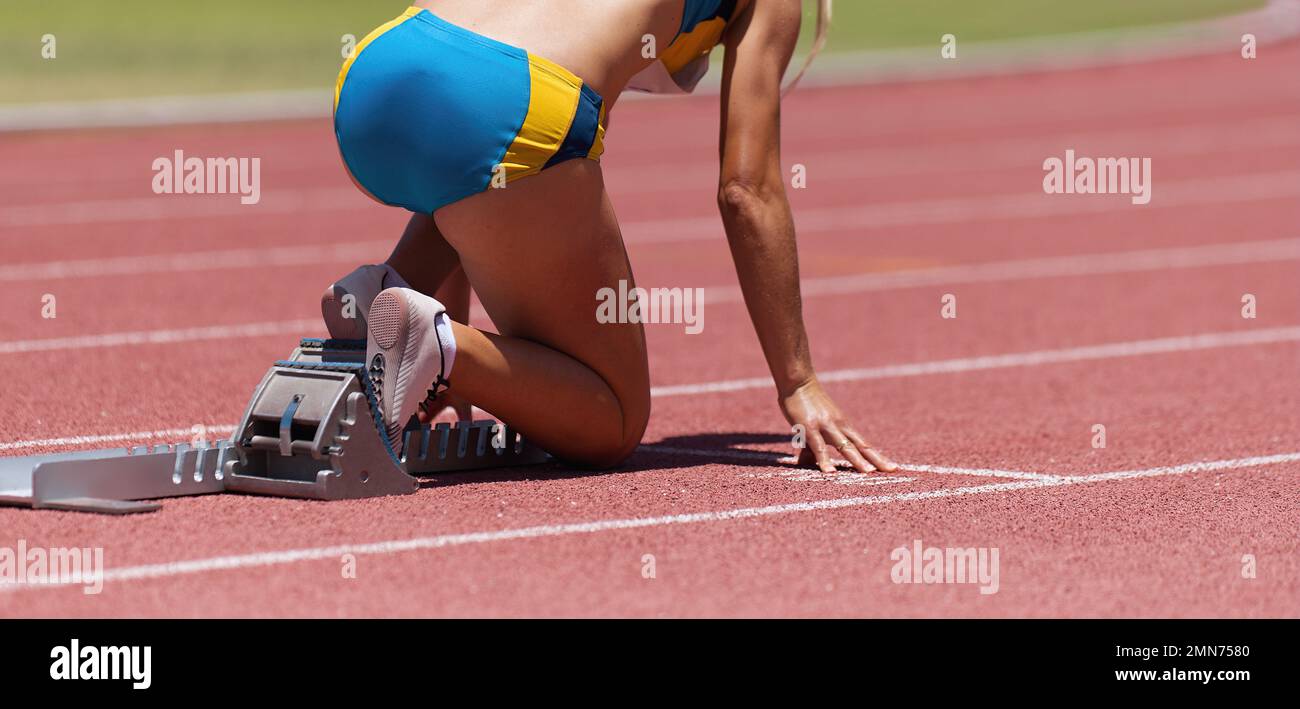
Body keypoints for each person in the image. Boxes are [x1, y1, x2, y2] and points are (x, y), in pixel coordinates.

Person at [324, 0, 896, 474]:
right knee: (613, 418)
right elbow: (748, 190)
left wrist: (429, 307)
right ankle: (440, 343)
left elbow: (472, 128)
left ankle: (384, 288)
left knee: (496, 156)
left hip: (381, 63)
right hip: (505, 95)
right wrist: (799, 383)